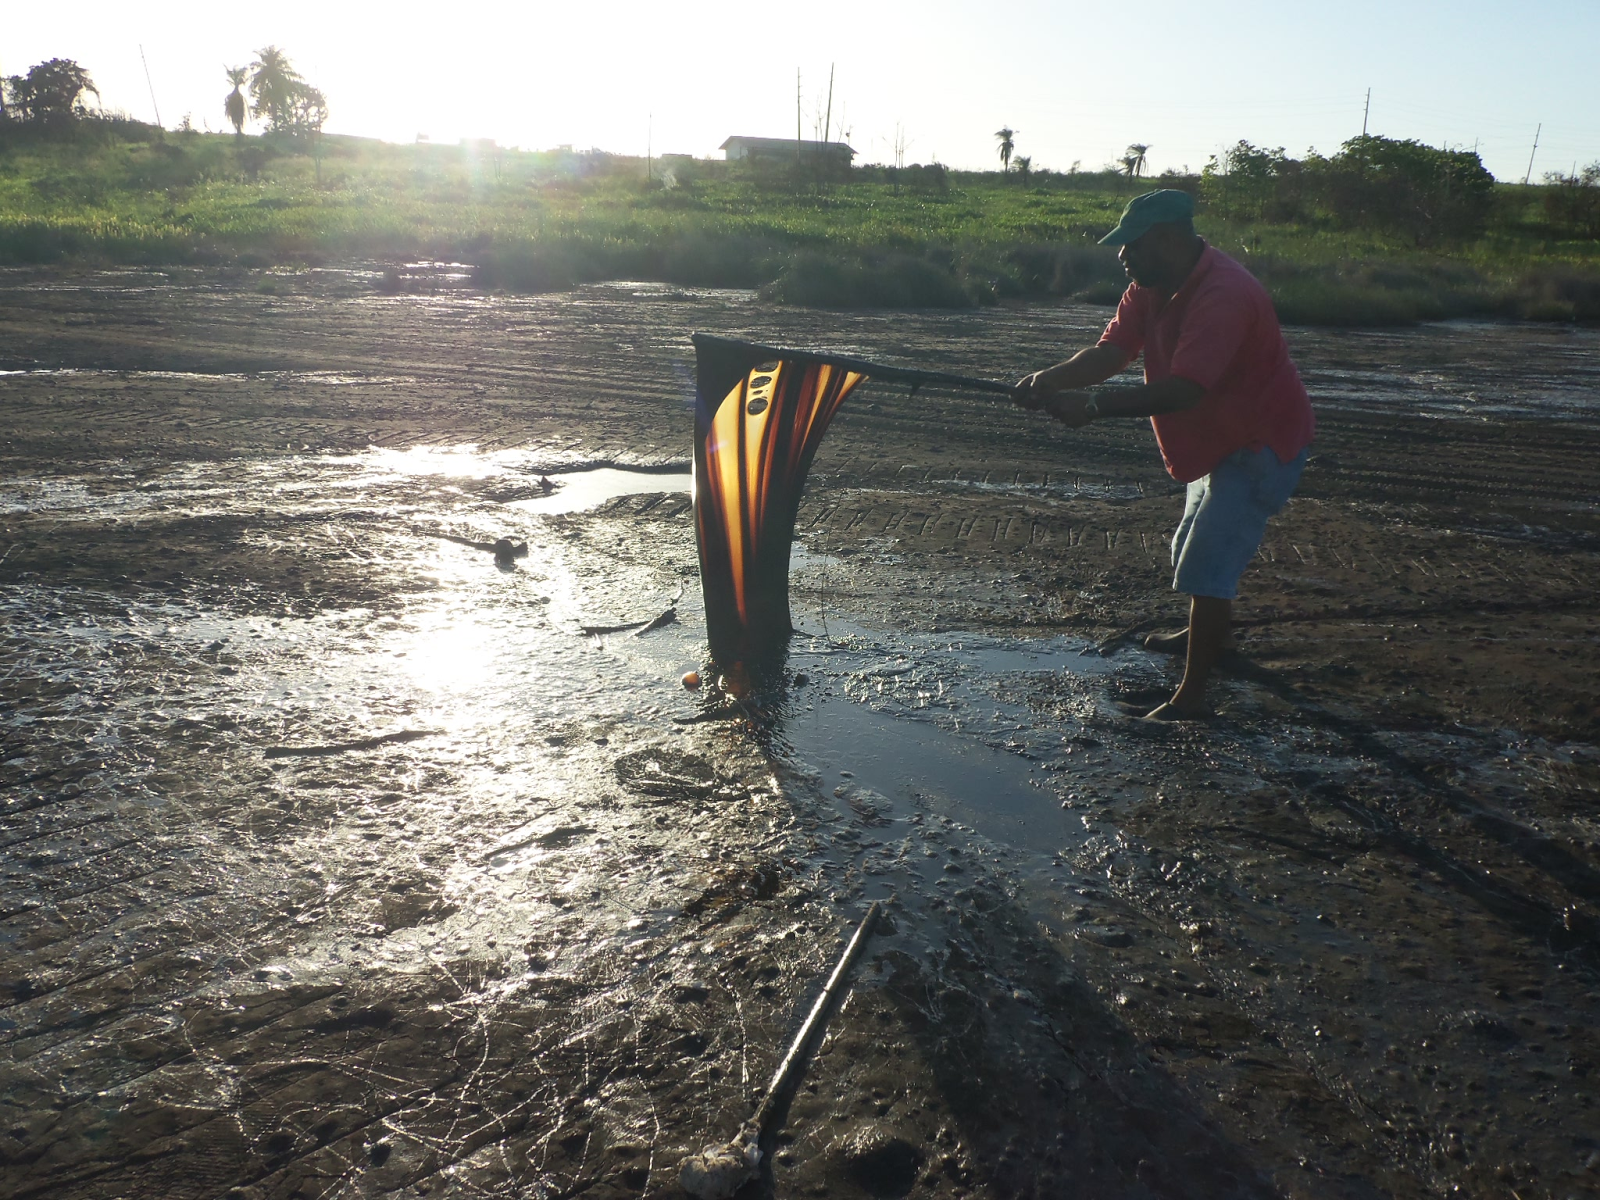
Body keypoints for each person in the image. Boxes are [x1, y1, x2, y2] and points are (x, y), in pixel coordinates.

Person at [1014, 189, 1314, 721]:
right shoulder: (1147, 286)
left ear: (1170, 241)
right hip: (1218, 439)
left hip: (1259, 442)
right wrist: (1049, 380)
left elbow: (1184, 390)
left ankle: (1191, 697)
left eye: (1131, 245)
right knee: (1190, 551)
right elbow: (1112, 351)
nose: (1122, 256)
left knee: (1206, 564)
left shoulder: (1223, 294)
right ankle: (1208, 635)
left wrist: (1096, 405)